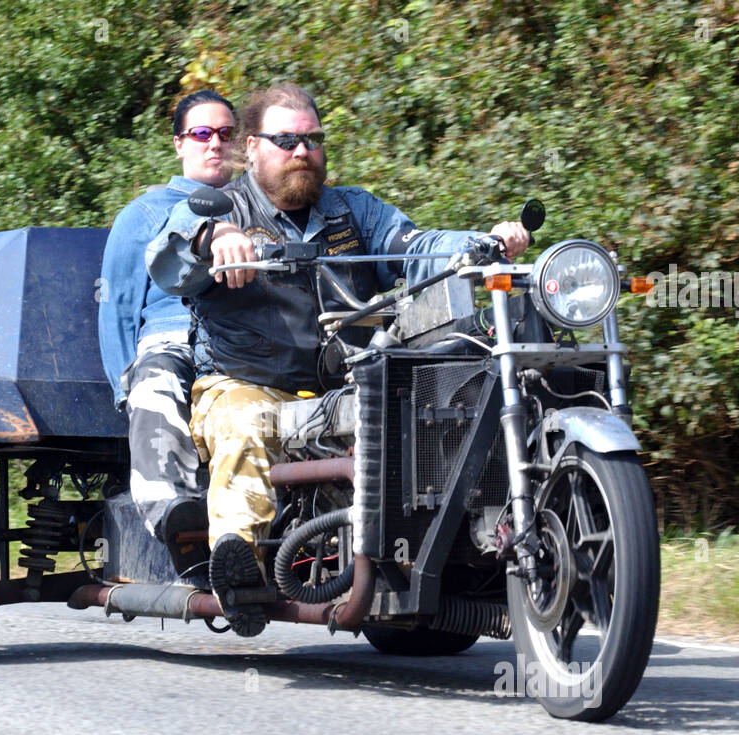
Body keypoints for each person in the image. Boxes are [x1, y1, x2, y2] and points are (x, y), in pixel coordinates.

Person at [146, 82, 529, 635]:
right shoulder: (223, 206)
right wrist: (215, 236)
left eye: (313, 140)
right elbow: (168, 252)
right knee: (245, 420)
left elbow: (415, 246)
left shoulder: (353, 210)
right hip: (243, 382)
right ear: (252, 148)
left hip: (343, 386)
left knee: (432, 400)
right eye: (286, 140)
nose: (303, 152)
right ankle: (240, 570)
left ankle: (461, 557)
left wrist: (480, 242)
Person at [97, 89, 236, 575]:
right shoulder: (146, 213)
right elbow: (116, 308)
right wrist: (125, 387)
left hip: (242, 344)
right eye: (202, 133)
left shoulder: (258, 208)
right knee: (157, 380)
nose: (214, 143)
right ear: (179, 143)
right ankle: (177, 516)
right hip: (172, 338)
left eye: (225, 133)